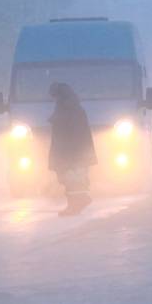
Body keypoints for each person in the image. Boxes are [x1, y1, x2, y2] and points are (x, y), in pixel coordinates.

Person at [48, 82, 97, 217]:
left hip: (68, 153)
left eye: (54, 96)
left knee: (70, 179)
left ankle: (75, 205)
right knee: (73, 179)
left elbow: (68, 132)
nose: (53, 99)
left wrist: (66, 153)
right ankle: (75, 205)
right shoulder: (73, 107)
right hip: (72, 152)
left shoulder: (67, 108)